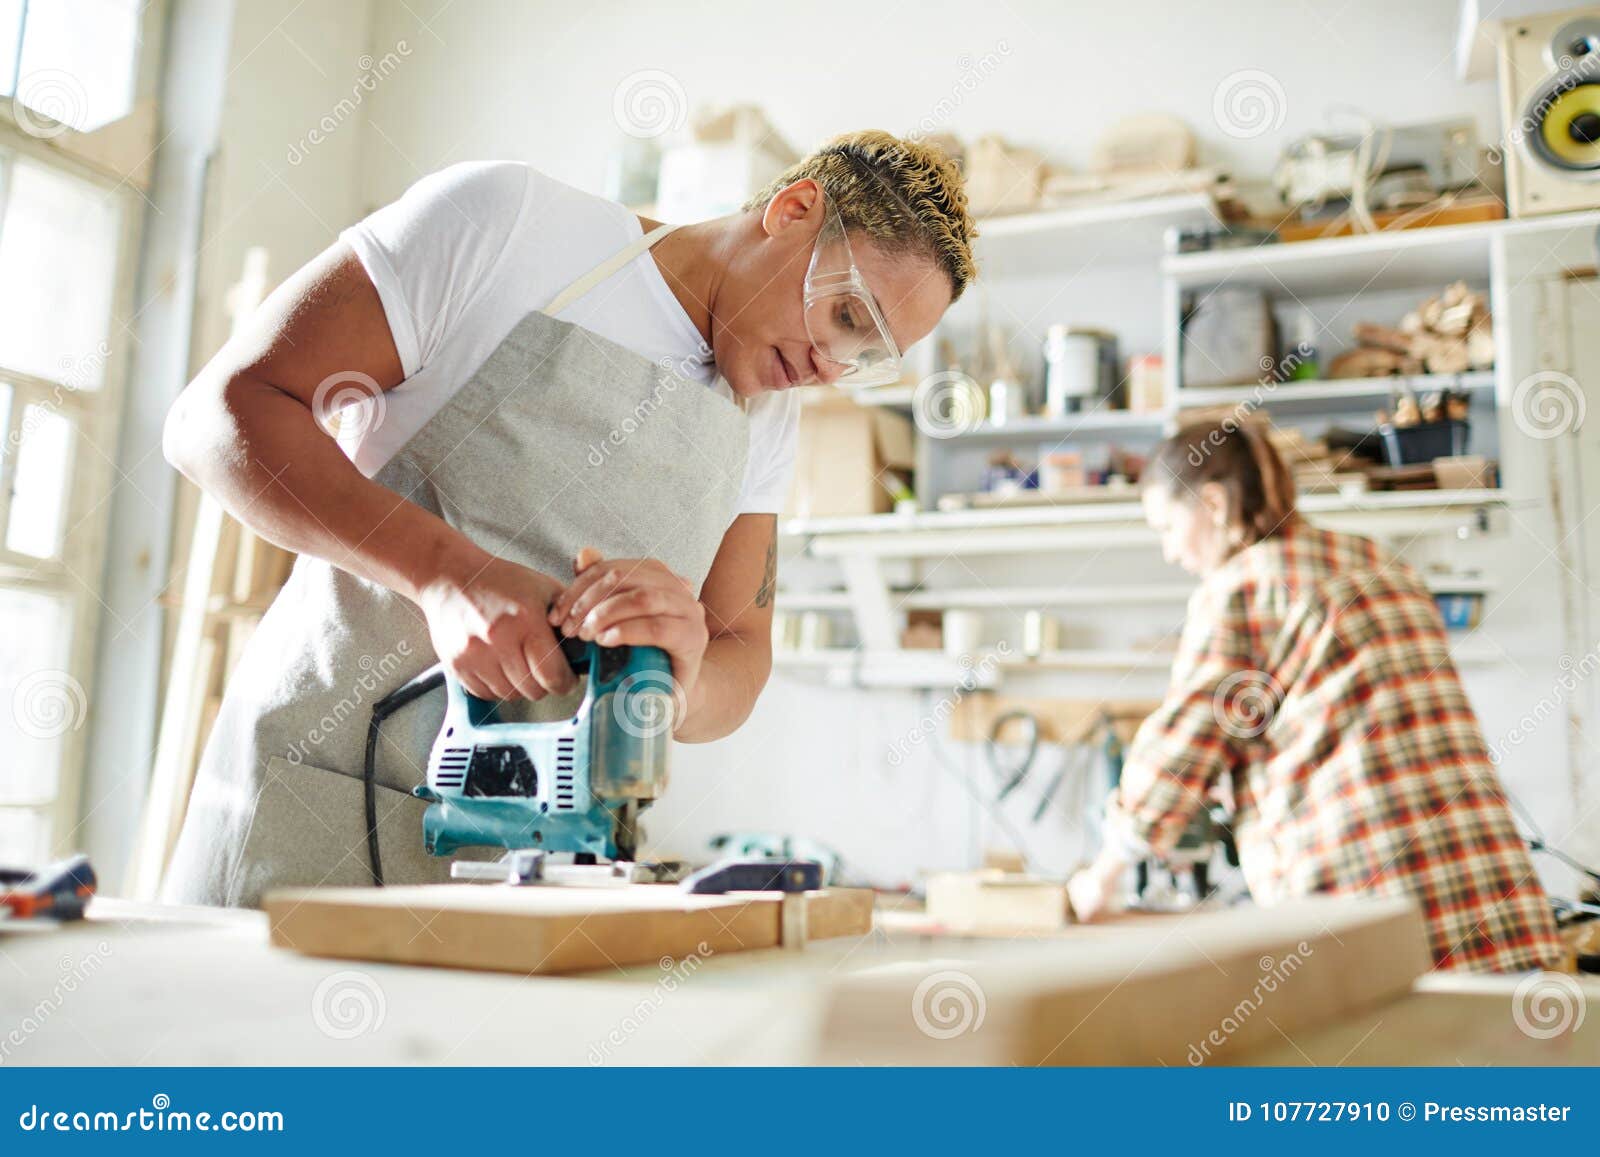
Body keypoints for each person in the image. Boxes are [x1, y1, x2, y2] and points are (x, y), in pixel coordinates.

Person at [160, 131, 977, 907]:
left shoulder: (764, 415)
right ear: (794, 210)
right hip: (324, 800)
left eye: (870, 358)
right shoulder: (510, 226)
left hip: (541, 870)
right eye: (846, 315)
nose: (832, 369)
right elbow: (220, 414)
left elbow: (741, 654)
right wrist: (447, 576)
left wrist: (682, 678)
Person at [1068, 418, 1564, 972]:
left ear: (1211, 503)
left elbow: (1185, 747)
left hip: (1370, 916)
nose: (1168, 551)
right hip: (1496, 906)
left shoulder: (1245, 585)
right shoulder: (1382, 563)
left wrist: (1103, 875)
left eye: (1165, 527)